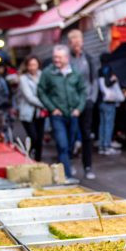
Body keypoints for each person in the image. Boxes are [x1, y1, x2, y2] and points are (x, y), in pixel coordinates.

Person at [37, 44, 87, 179]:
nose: (56, 60)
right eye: (55, 57)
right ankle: (67, 176)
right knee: (62, 144)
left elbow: (83, 91)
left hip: (73, 114)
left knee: (70, 145)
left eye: (59, 57)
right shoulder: (48, 72)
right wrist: (52, 108)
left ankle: (64, 165)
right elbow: (41, 91)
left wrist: (79, 108)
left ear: (66, 57)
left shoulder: (75, 72)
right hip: (57, 115)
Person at [67, 29, 97, 180]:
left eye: (79, 41)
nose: (77, 44)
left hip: (86, 101)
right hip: (72, 103)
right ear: (70, 44)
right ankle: (69, 163)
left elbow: (94, 80)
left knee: (86, 135)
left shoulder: (89, 58)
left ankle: (88, 166)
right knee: (71, 134)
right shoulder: (67, 60)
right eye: (74, 41)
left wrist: (92, 98)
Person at [16, 56, 46, 161]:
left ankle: (38, 161)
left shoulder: (43, 76)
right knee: (33, 137)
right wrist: (46, 104)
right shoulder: (23, 78)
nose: (32, 67)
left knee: (40, 138)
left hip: (40, 113)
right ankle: (26, 155)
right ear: (27, 66)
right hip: (27, 113)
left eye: (34, 64)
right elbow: (29, 97)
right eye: (30, 65)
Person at [97, 53, 126, 155]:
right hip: (108, 101)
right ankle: (107, 146)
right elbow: (107, 83)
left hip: (101, 101)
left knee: (102, 124)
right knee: (109, 124)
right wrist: (114, 80)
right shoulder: (108, 69)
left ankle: (101, 146)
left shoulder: (99, 70)